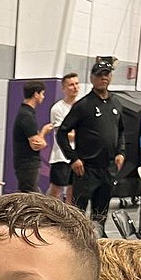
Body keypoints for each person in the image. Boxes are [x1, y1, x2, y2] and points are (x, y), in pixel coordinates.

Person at [56, 60, 126, 236]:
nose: (103, 78)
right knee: (79, 213)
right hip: (87, 169)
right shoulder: (83, 105)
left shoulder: (116, 104)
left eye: (106, 74)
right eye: (99, 75)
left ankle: (99, 243)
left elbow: (122, 131)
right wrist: (73, 158)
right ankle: (77, 244)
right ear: (92, 78)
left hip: (108, 168)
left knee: (101, 212)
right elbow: (62, 133)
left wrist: (121, 152)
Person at [11, 80, 52, 193]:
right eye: (42, 93)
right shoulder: (26, 115)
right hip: (27, 164)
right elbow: (36, 145)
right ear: (36, 94)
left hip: (27, 163)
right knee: (30, 194)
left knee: (32, 193)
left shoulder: (27, 113)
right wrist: (43, 132)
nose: (43, 97)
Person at [48, 72, 80, 204]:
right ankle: (48, 213)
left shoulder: (81, 106)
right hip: (61, 156)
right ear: (64, 88)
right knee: (57, 189)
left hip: (78, 155)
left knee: (73, 189)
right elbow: (65, 135)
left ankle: (68, 218)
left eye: (77, 84)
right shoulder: (58, 109)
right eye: (71, 85)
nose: (75, 87)